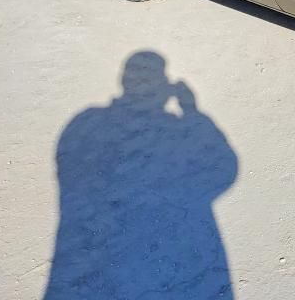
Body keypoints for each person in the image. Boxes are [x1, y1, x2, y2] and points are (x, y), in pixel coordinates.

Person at [43, 51, 238, 299]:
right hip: (136, 262)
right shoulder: (168, 130)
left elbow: (222, 170)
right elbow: (222, 170)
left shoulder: (88, 122)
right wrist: (191, 113)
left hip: (120, 264)